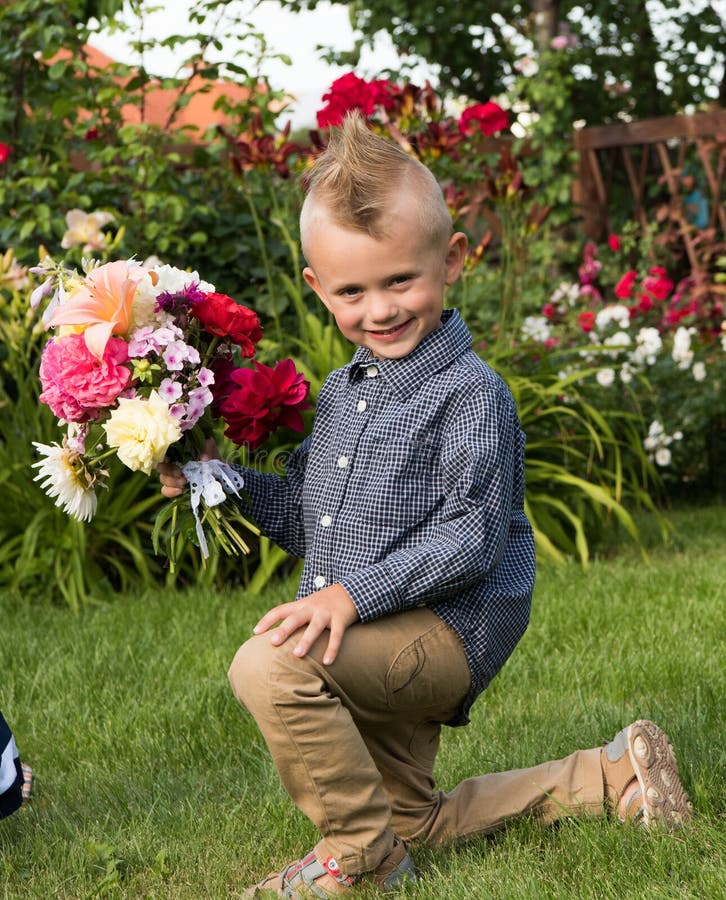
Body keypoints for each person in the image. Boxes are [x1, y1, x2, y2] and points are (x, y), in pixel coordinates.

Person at [158, 112, 692, 897]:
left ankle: (359, 858)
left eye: (400, 280)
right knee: (412, 819)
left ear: (453, 260)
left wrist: (349, 594)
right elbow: (309, 512)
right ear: (318, 288)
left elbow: (469, 538)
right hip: (374, 628)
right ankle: (610, 777)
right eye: (352, 290)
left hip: (447, 629)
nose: (379, 309)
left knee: (271, 666)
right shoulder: (345, 391)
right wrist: (217, 481)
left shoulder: (470, 394)